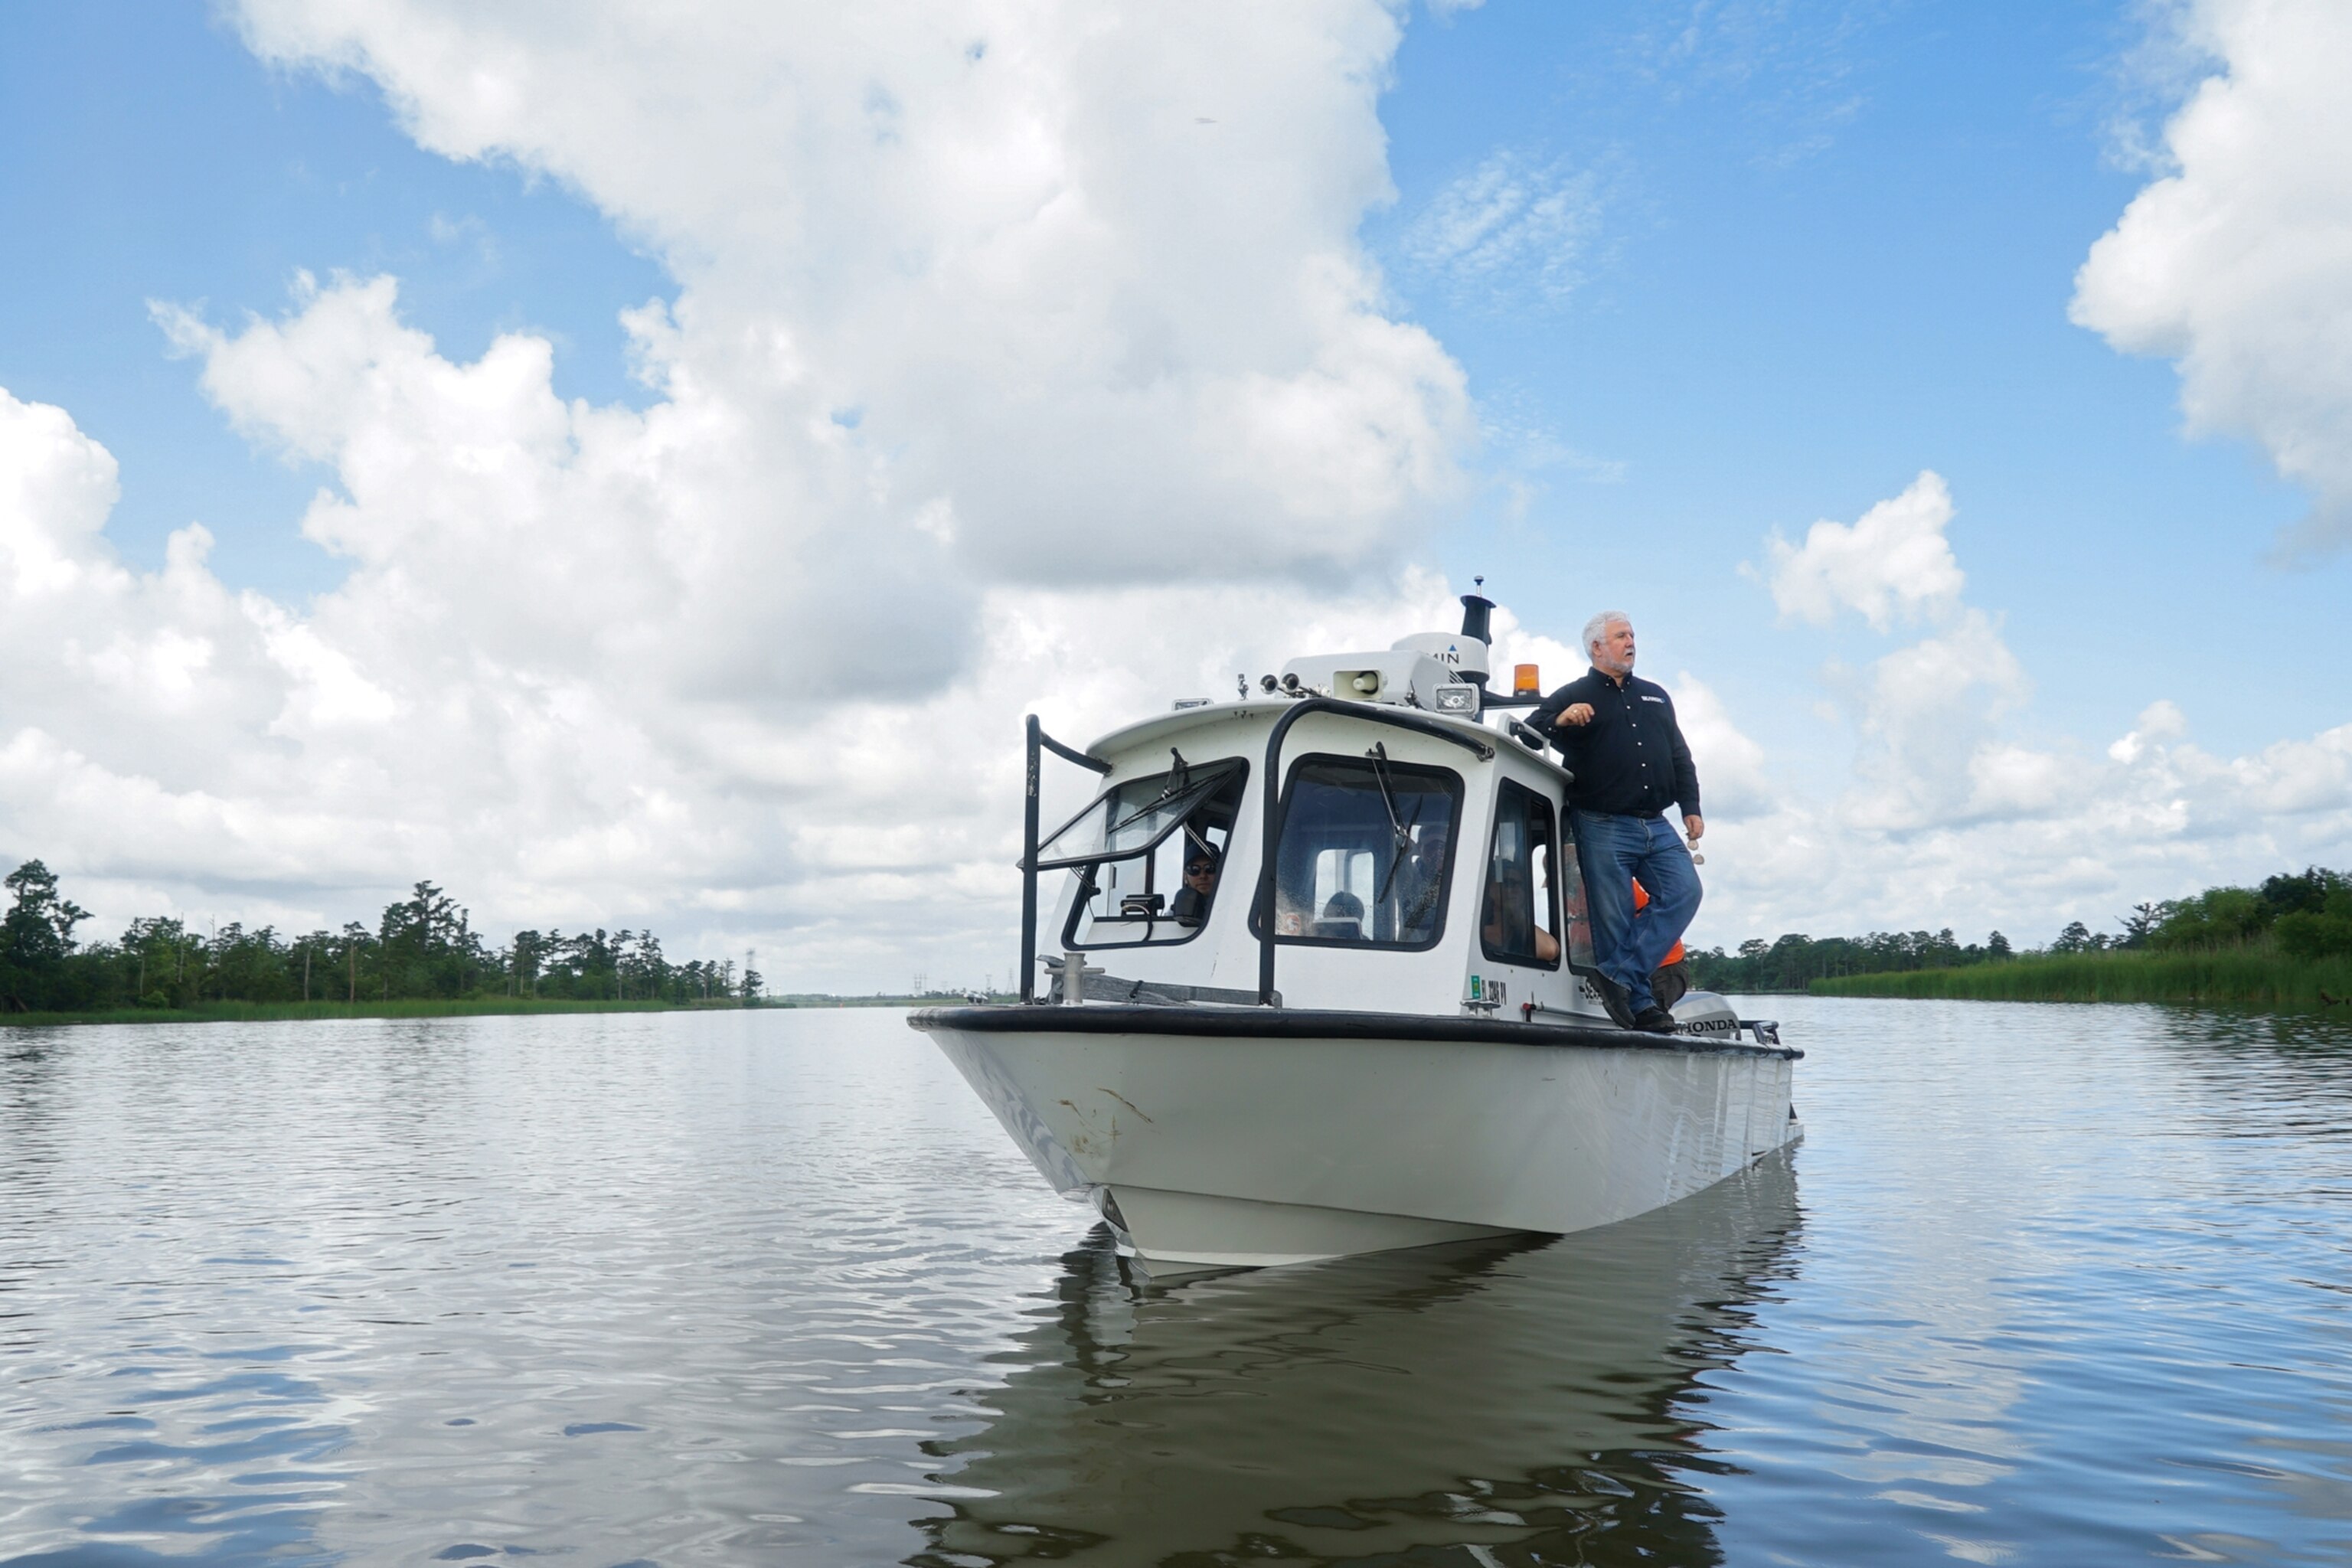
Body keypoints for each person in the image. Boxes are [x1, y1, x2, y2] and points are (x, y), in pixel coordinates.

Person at [1529, 611, 1703, 1031]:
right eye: (1621, 636)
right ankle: (1641, 1007)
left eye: (1632, 635)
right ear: (1597, 647)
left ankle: (1617, 974)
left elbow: (1679, 754)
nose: (1631, 642)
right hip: (1602, 821)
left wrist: (1691, 806)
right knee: (1615, 918)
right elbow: (1531, 729)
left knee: (1685, 892)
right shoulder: (1573, 692)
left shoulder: (1657, 696)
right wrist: (1561, 721)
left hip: (1656, 822)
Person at [1171, 846, 1220, 926]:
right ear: (1185, 877)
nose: (1203, 876)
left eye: (1210, 868)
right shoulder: (1172, 916)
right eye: (1194, 870)